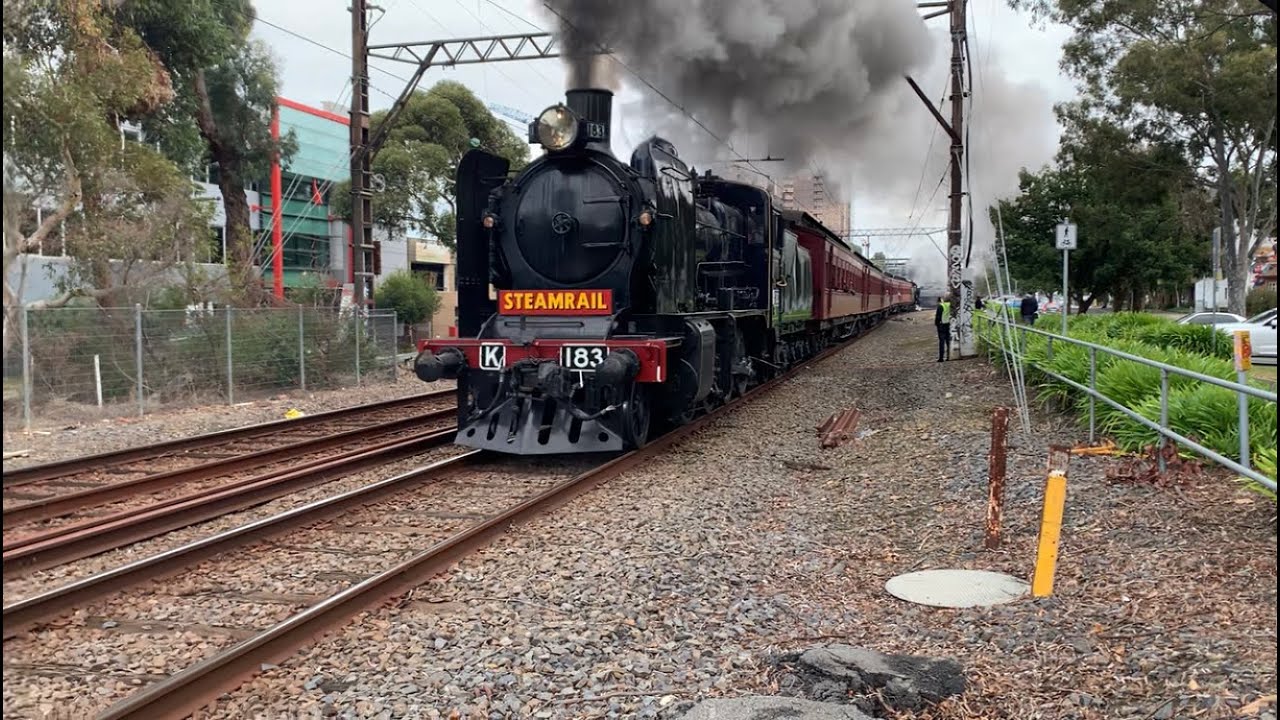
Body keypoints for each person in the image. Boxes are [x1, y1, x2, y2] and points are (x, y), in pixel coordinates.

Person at [934, 296, 952, 362]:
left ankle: (941, 358)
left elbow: (938, 317)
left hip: (941, 325)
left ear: (944, 299)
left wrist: (936, 323)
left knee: (942, 342)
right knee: (948, 341)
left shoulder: (941, 306)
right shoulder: (951, 305)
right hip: (949, 324)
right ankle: (949, 356)